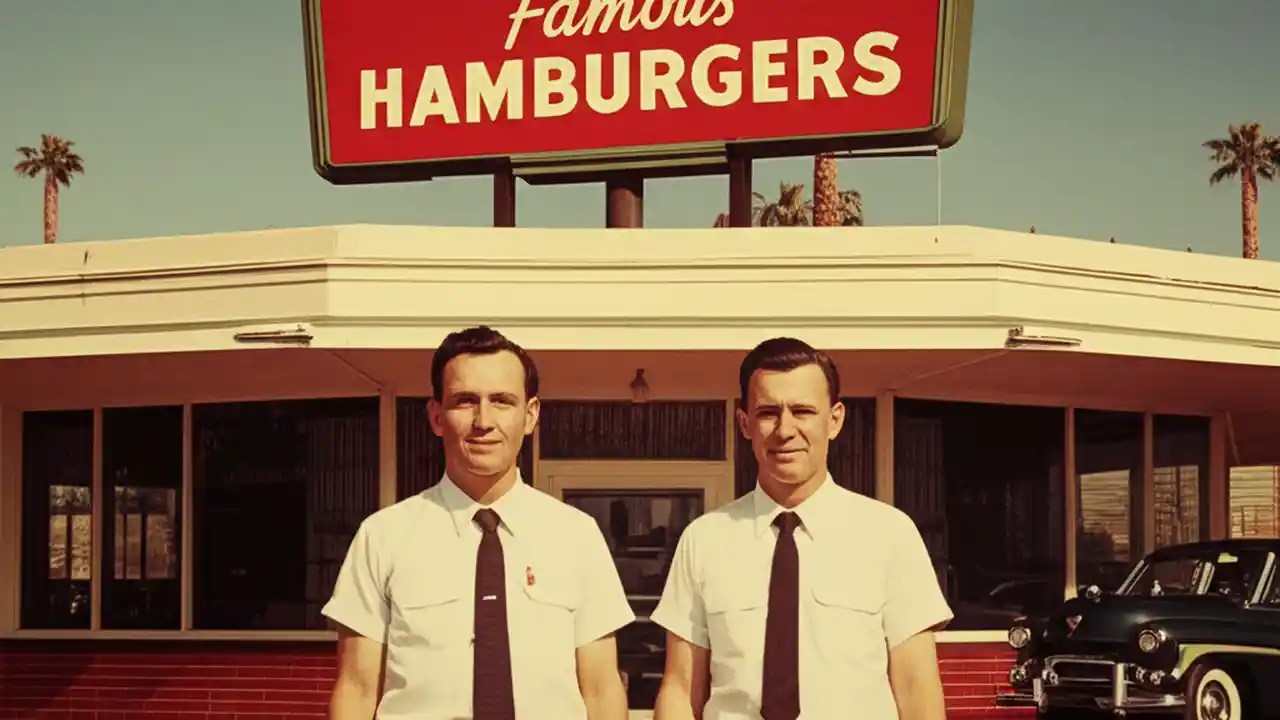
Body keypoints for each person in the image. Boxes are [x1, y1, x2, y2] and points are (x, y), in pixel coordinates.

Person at [323, 326, 635, 720]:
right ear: (436, 416)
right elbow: (357, 689)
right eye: (465, 401)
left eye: (502, 401)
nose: (483, 420)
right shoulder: (383, 537)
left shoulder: (577, 536)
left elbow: (602, 689)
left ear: (530, 415)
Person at [651, 337, 952, 720]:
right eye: (767, 412)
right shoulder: (705, 539)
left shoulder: (890, 535)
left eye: (803, 410)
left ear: (835, 419)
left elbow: (916, 689)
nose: (785, 429)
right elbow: (680, 688)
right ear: (744, 423)